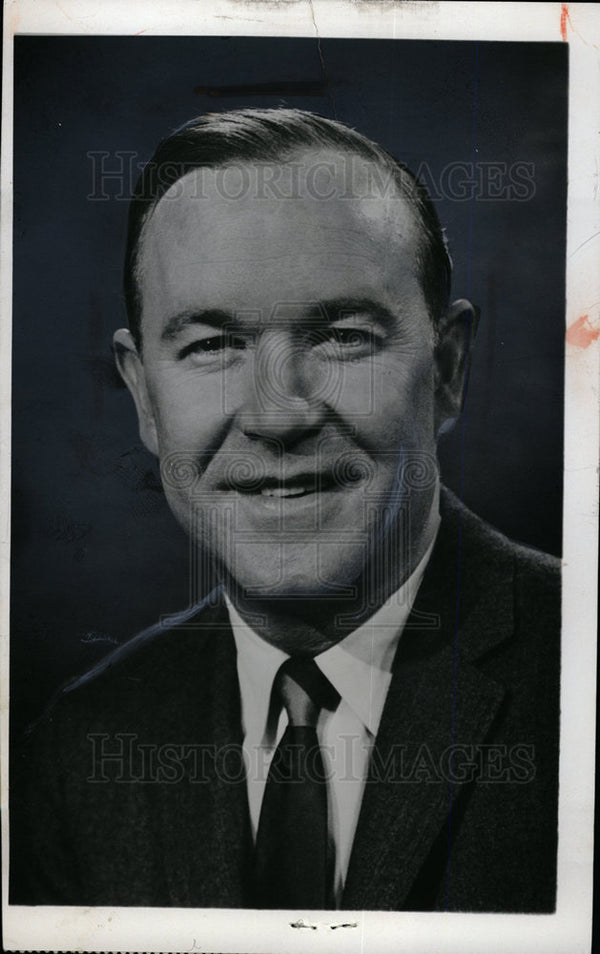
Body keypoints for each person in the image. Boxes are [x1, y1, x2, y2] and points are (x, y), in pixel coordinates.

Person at [11, 108, 560, 912]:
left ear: (447, 367)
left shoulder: (578, 671)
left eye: (342, 336)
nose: (277, 415)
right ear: (144, 396)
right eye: (211, 346)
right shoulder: (80, 746)